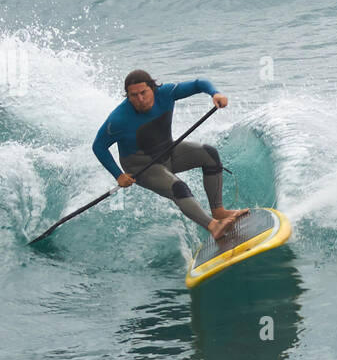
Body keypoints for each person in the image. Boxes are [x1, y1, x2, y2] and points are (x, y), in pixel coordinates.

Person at [92, 69, 248, 241]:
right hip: (143, 167)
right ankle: (213, 226)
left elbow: (198, 83)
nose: (140, 99)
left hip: (169, 151)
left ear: (153, 88)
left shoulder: (166, 93)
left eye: (143, 93)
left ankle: (218, 211)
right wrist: (118, 175)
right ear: (127, 96)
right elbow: (99, 146)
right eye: (133, 95)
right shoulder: (119, 119)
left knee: (209, 154)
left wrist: (215, 93)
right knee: (179, 188)